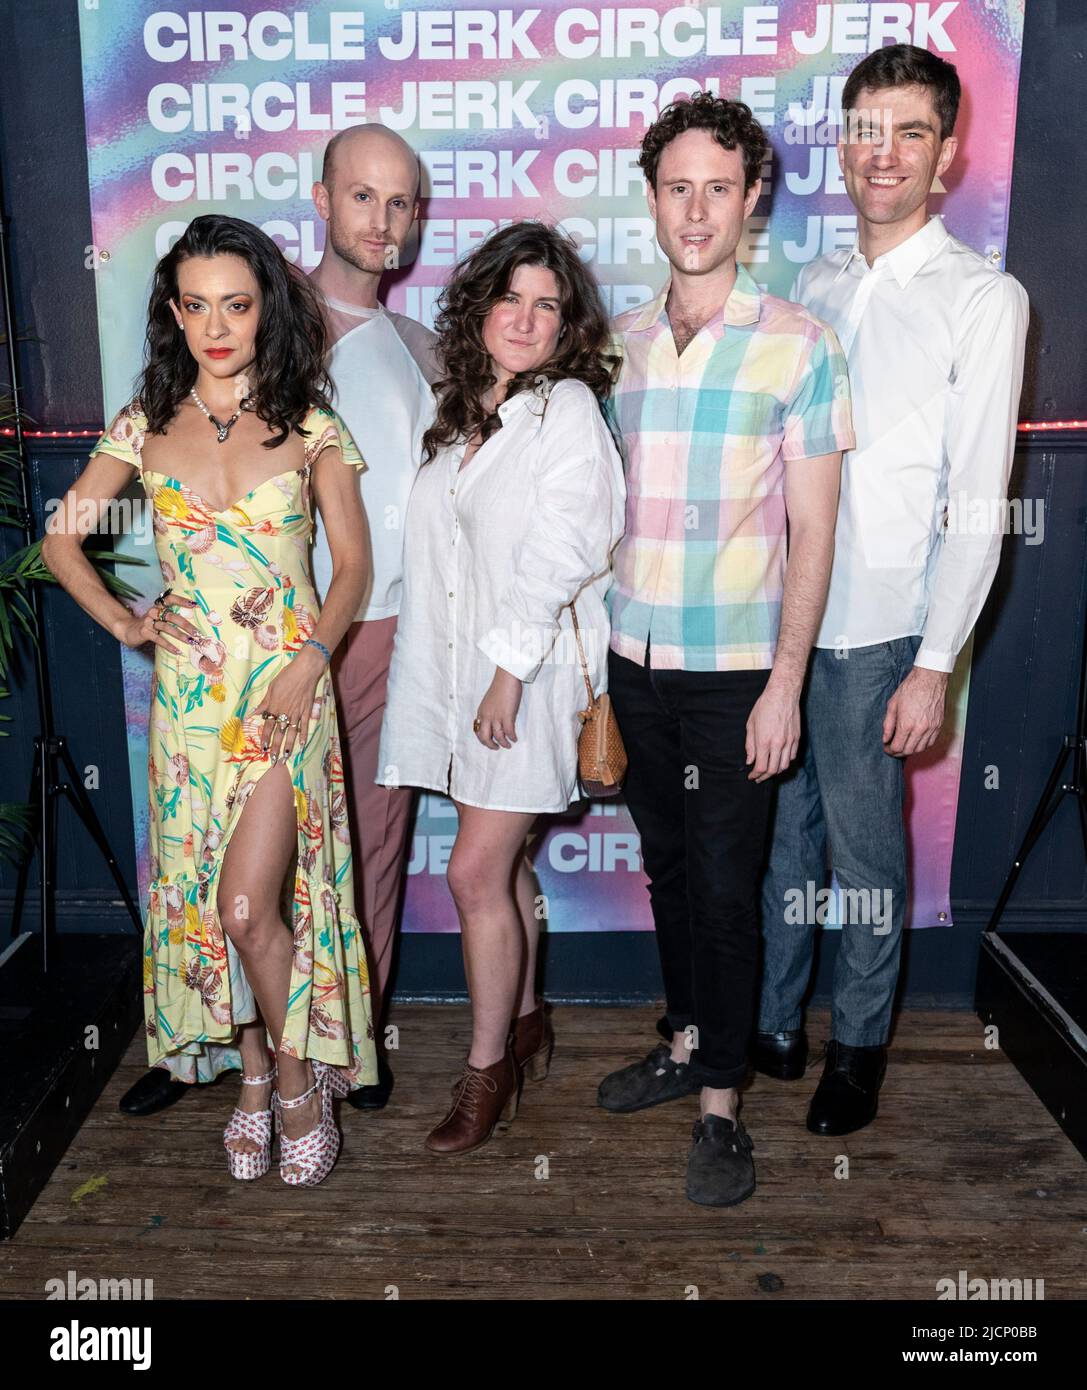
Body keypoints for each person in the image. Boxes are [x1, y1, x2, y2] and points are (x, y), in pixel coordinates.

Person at [41, 214, 378, 1186]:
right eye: (196, 306)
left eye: (236, 304)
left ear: (266, 307)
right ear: (174, 313)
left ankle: (301, 1083)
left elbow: (354, 566)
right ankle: (254, 1072)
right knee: (207, 897)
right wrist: (128, 623)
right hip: (190, 704)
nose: (217, 327)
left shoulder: (312, 427)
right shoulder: (143, 426)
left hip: (283, 692)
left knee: (245, 903)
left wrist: (311, 659)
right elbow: (62, 540)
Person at [755, 46, 1029, 1136]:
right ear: (842, 143)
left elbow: (978, 500)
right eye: (867, 127)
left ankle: (858, 1048)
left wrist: (933, 664)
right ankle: (774, 1025)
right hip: (781, 622)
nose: (884, 152)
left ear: (945, 154)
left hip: (879, 630)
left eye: (911, 131)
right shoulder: (813, 287)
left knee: (865, 859)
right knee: (783, 844)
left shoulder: (982, 298)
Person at [596, 93, 854, 1208]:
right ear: (651, 200)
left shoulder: (800, 345)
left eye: (717, 188)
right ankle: (687, 1038)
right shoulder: (614, 344)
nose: (695, 211)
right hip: (632, 660)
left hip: (738, 670)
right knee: (665, 869)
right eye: (676, 188)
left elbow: (814, 533)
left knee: (724, 888)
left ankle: (721, 1107)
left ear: (752, 199)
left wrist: (785, 684)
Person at [378, 220, 626, 1155]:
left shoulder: (566, 409)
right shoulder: (456, 415)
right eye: (509, 298)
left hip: (525, 679)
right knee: (508, 865)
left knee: (473, 872)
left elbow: (564, 549)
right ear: (479, 306)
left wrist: (506, 676)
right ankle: (524, 1025)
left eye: (546, 306)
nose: (524, 319)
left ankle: (486, 1073)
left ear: (566, 326)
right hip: (458, 679)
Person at [307, 124, 439, 1111]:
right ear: (322, 200)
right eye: (363, 196)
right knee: (260, 848)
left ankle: (354, 1045)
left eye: (399, 203)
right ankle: (239, 1048)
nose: (381, 220)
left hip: (392, 630)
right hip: (279, 631)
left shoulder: (422, 347)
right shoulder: (257, 318)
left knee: (372, 845)